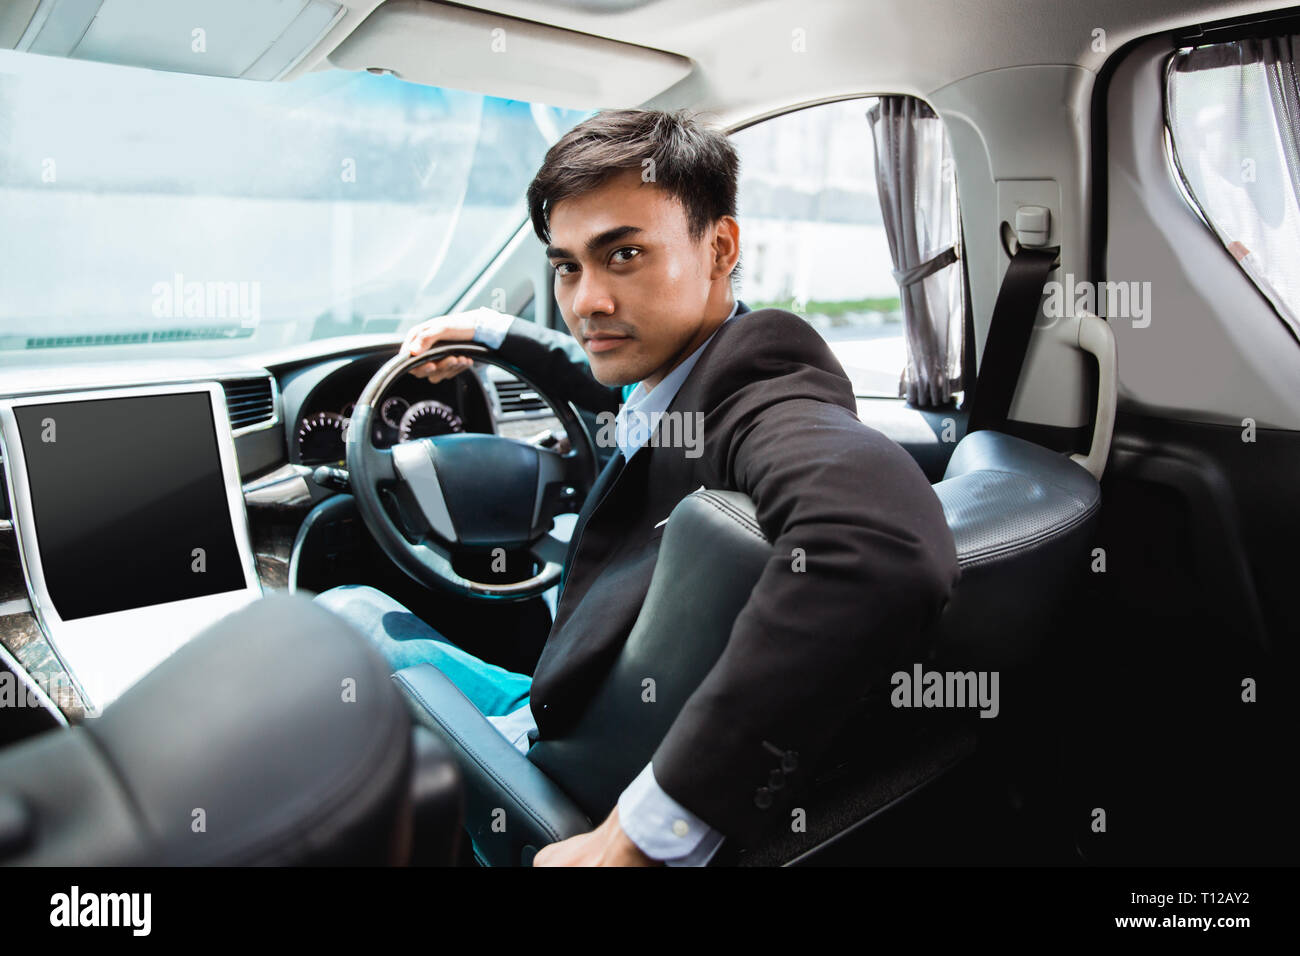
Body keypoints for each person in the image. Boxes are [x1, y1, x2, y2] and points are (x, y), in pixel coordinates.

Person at [314, 108, 960, 866]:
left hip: (557, 757)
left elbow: (880, 547)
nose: (587, 301)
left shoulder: (763, 391)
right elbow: (609, 388)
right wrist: (491, 333)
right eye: (567, 266)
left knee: (343, 616)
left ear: (719, 248)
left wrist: (647, 831)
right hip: (578, 698)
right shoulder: (691, 370)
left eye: (623, 254)